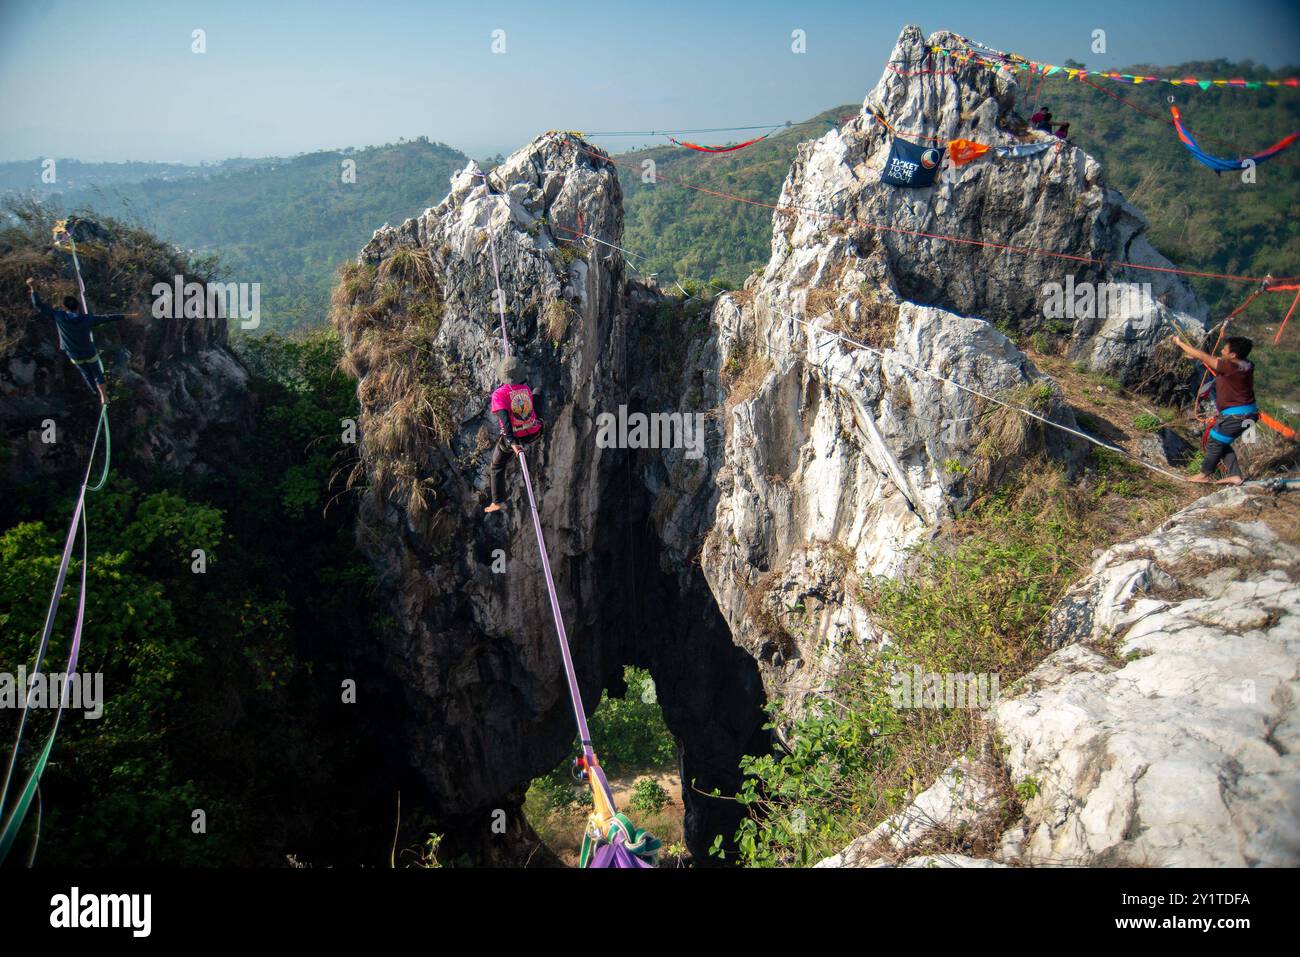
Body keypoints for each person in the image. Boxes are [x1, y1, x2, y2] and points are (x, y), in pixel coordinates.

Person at [1171, 334, 1258, 486]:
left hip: (1236, 416)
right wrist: (1205, 360)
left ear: (1233, 355)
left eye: (1225, 349)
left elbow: (1202, 355)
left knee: (1214, 443)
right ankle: (1235, 476)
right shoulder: (1247, 364)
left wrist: (1179, 342)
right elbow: (1216, 361)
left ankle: (1204, 474)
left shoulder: (1228, 366)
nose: (1222, 351)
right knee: (1221, 442)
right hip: (1249, 413)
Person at [26, 277, 125, 405]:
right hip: (89, 352)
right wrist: (124, 316)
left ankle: (97, 393)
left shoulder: (59, 316)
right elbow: (106, 318)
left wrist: (33, 288)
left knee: (86, 374)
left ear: (64, 307)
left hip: (74, 354)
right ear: (77, 307)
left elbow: (38, 305)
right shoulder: (86, 319)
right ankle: (103, 395)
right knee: (97, 373)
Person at [484, 355, 543, 513]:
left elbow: (504, 420)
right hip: (533, 432)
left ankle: (497, 501)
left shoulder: (498, 394)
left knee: (497, 466)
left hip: (516, 436)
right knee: (538, 391)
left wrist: (513, 443)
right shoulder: (526, 389)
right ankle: (540, 419)